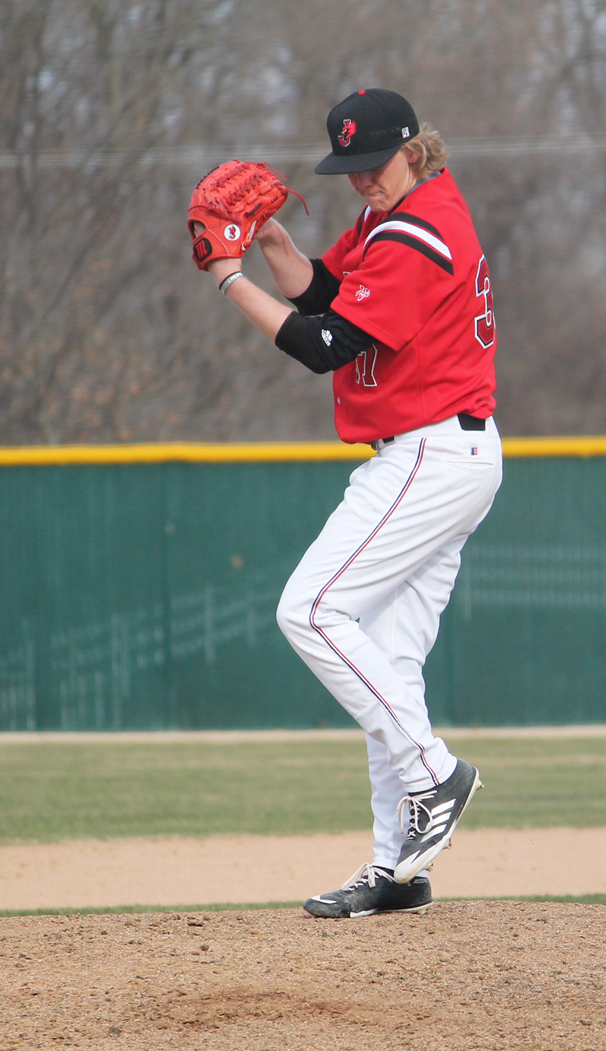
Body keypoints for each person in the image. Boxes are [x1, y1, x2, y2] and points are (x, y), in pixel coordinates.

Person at [192, 88, 501, 917]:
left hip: (430, 450)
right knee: (386, 666)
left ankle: (437, 774)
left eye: (374, 163)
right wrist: (274, 245)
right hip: (446, 450)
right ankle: (397, 868)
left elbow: (324, 344)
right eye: (350, 168)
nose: (362, 180)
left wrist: (228, 279)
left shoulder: (421, 231)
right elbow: (326, 290)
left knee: (312, 613)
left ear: (414, 148)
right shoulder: (402, 214)